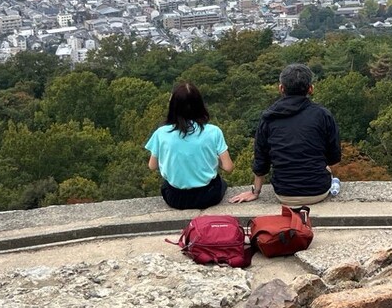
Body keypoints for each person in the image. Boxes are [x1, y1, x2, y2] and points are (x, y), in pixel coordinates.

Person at [232, 63, 342, 204]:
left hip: (283, 192)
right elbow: (334, 157)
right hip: (318, 190)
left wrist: (255, 192)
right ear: (311, 88)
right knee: (326, 169)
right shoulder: (323, 115)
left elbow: (261, 159)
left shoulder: (269, 117)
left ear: (281, 88)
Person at [145, 82, 233, 210]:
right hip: (208, 196)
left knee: (166, 185)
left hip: (176, 198)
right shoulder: (214, 131)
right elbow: (228, 167)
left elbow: (152, 166)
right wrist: (212, 159)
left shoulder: (161, 133)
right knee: (221, 183)